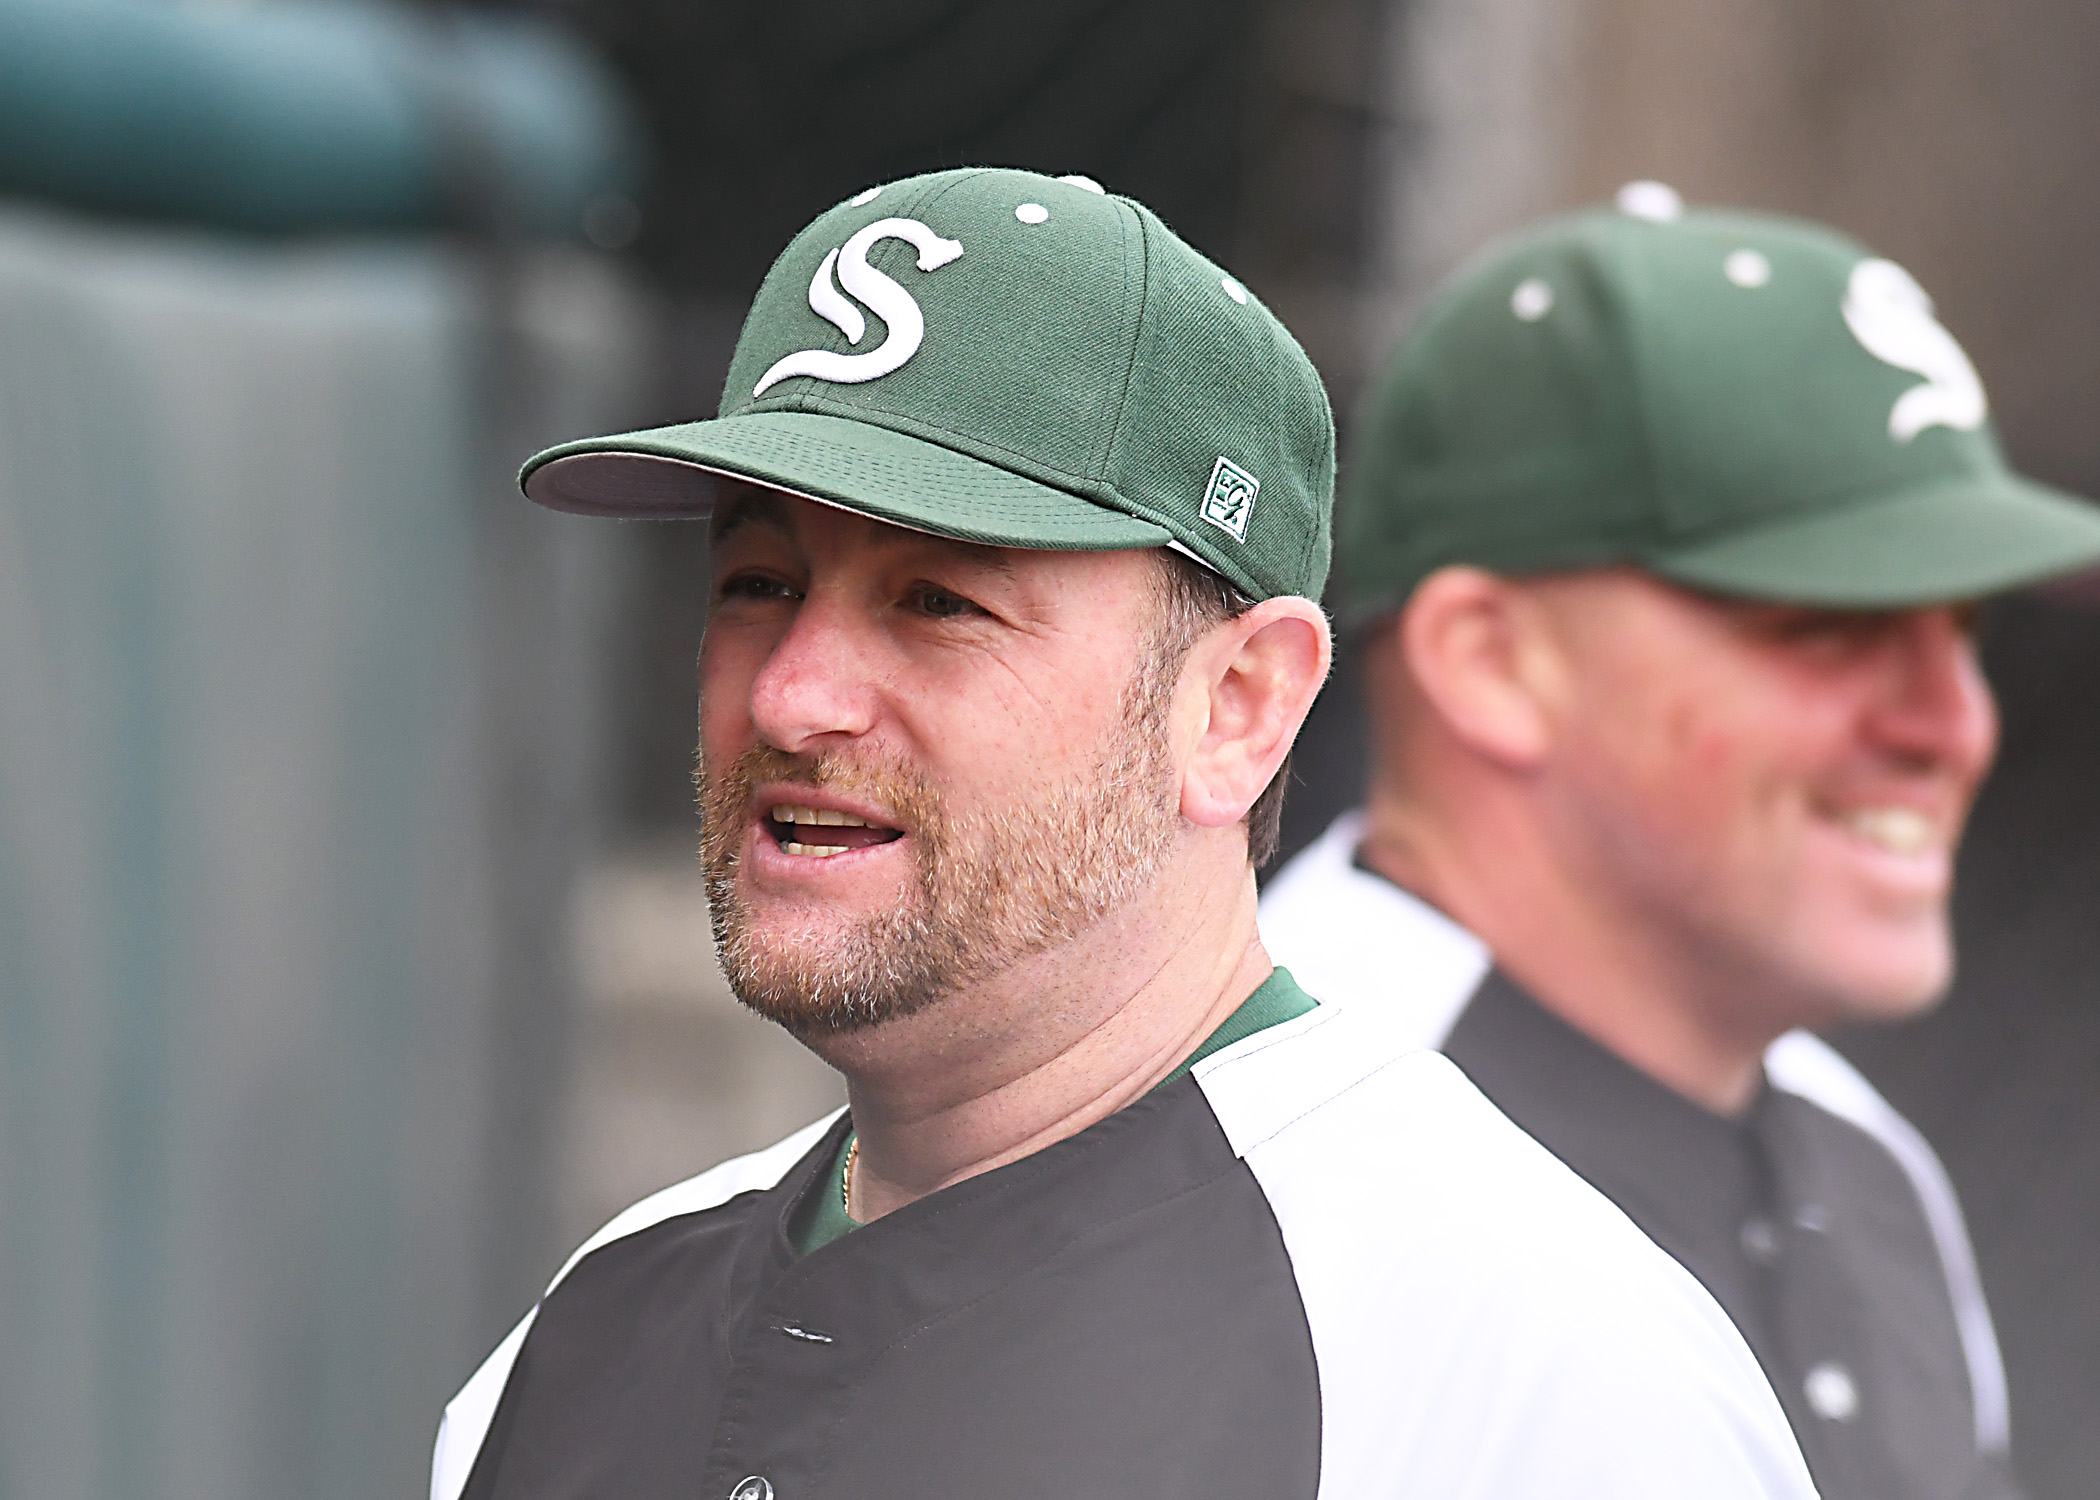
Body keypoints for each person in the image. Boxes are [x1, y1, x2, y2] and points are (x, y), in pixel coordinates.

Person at [431, 168, 1816, 1500]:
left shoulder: (1533, 1379)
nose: (793, 694)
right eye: (758, 580)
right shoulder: (583, 1340)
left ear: (1237, 706)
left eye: (939, 601)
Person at [1262, 184, 2100, 1500]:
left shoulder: (1871, 1164)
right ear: (1491, 663)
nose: (1955, 725)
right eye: (1831, 621)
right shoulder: (1235, 1160)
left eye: (1966, 633)